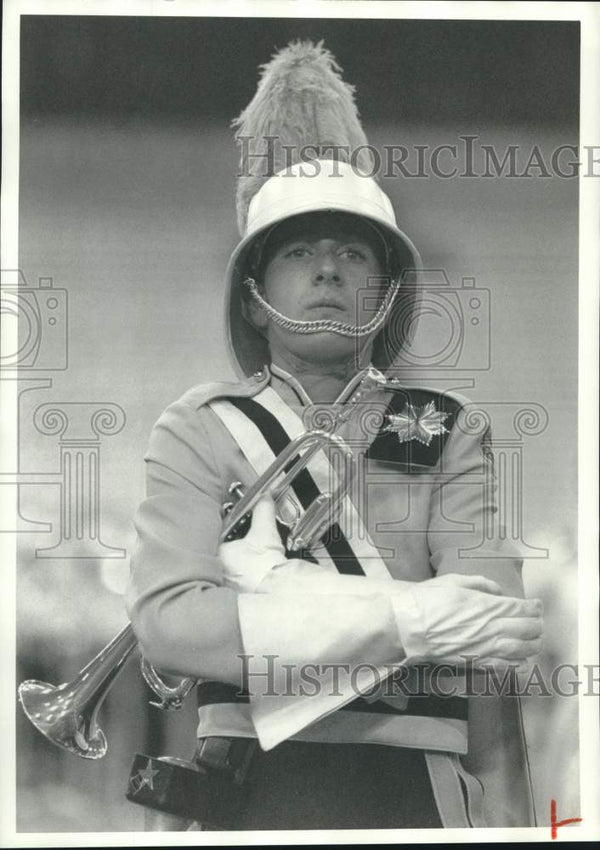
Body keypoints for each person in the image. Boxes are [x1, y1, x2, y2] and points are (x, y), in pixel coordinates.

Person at [126, 42, 542, 830]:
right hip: (240, 786)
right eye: (298, 252)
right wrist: (412, 616)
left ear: (387, 295)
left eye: (353, 253)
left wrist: (260, 597)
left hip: (415, 782)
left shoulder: (446, 425)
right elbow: (171, 624)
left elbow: (492, 616)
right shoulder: (197, 424)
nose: (327, 271)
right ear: (253, 298)